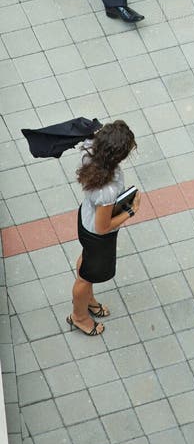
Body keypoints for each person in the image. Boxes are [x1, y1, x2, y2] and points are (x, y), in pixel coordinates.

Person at [67, 119, 141, 336]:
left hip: (85, 220)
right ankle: (79, 317)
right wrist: (130, 211)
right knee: (85, 277)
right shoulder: (107, 191)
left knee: (85, 265)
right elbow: (103, 227)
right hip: (97, 236)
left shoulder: (90, 150)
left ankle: (88, 300)